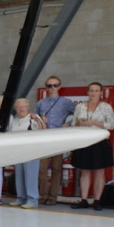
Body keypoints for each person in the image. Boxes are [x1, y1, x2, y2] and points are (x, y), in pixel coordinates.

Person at [70, 82, 114, 211]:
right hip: (84, 140)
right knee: (84, 171)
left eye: (96, 91)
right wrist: (79, 123)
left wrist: (95, 122)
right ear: (87, 92)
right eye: (91, 90)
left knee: (99, 172)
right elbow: (74, 123)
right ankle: (84, 199)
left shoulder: (106, 107)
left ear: (101, 93)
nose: (93, 93)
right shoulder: (80, 107)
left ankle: (97, 200)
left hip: (99, 141)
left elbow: (111, 125)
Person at [34, 76, 76, 205]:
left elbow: (78, 113)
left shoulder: (66, 102)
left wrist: (68, 123)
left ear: (59, 87)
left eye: (55, 85)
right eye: (49, 85)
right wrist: (40, 120)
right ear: (46, 88)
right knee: (42, 169)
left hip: (58, 138)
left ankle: (53, 197)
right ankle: (43, 194)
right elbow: (34, 119)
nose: (52, 88)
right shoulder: (41, 103)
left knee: (57, 168)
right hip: (44, 138)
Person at [8, 98, 45, 209]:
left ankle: (32, 200)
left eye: (23, 106)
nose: (21, 109)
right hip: (19, 152)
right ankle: (21, 198)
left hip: (31, 152)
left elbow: (43, 129)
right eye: (18, 107)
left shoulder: (33, 118)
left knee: (31, 176)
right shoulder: (14, 120)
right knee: (19, 176)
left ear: (28, 107)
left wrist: (38, 120)